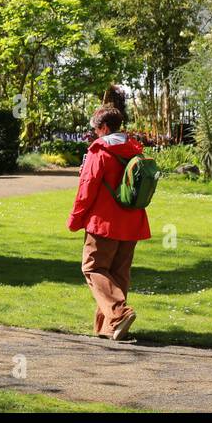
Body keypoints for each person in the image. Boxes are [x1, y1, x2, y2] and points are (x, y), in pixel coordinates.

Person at [67, 88, 150, 341]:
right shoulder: (135, 150)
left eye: (95, 129)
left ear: (103, 128)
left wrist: (75, 219)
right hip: (132, 222)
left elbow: (86, 189)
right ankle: (109, 327)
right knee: (118, 274)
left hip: (103, 223)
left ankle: (119, 313)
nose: (94, 133)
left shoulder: (99, 152)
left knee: (92, 268)